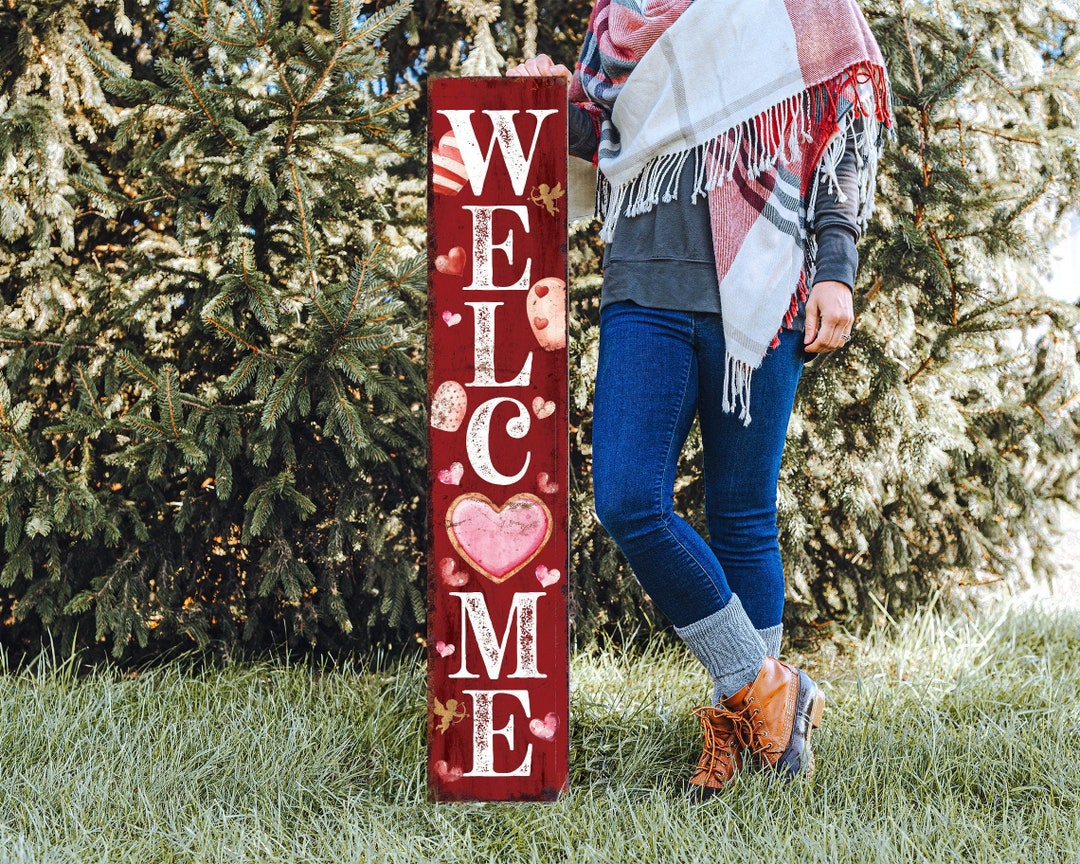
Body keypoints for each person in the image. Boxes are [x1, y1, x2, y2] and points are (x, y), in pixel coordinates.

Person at [508, 0, 892, 797]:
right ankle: (768, 691)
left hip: (764, 283)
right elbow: (604, 136)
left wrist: (836, 265)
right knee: (625, 496)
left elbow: (843, 127)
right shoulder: (621, 17)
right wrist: (550, 101)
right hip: (644, 285)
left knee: (743, 515)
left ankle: (753, 740)